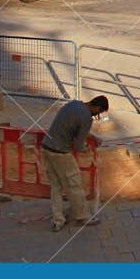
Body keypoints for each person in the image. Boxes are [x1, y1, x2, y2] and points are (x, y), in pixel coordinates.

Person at [41, 95, 108, 231]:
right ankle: (82, 217)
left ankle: (58, 220)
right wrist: (87, 148)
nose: (97, 115)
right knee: (75, 184)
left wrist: (92, 136)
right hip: (61, 153)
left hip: (46, 147)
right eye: (99, 112)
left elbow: (73, 127)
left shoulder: (73, 104)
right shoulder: (86, 118)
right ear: (97, 107)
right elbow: (78, 145)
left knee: (56, 186)